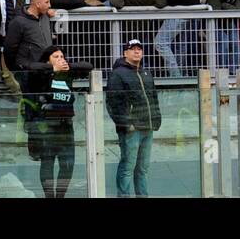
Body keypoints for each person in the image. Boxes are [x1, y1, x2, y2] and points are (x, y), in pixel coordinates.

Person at [23, 45, 92, 199]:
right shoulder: (41, 74)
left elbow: (88, 66)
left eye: (62, 57)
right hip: (47, 125)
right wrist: (52, 68)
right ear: (47, 60)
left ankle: (61, 195)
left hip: (66, 125)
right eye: (56, 57)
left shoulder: (67, 73)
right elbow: (31, 67)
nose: (60, 59)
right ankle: (49, 195)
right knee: (47, 162)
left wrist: (66, 66)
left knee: (67, 164)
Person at [107, 39, 161, 198]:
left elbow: (153, 97)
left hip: (148, 127)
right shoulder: (118, 74)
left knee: (143, 168)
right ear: (125, 53)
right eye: (133, 49)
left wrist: (156, 119)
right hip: (131, 130)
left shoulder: (146, 73)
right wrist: (126, 124)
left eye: (139, 49)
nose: (137, 51)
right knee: (127, 167)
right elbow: (113, 103)